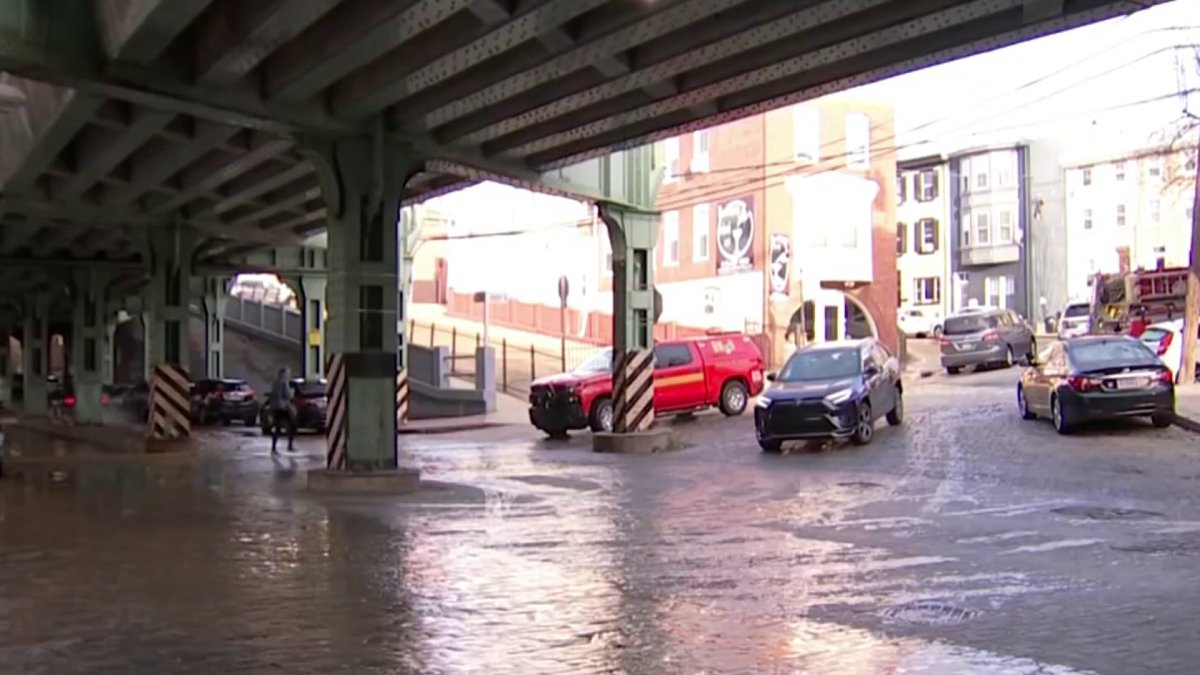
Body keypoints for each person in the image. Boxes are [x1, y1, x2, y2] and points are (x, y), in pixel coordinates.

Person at [268, 368, 295, 454]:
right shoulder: (284, 382)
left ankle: (273, 447)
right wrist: (291, 393)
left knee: (277, 428)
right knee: (292, 425)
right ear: (283, 374)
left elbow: (272, 394)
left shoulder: (275, 383)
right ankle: (290, 446)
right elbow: (287, 395)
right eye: (287, 374)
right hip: (283, 407)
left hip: (275, 407)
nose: (288, 375)